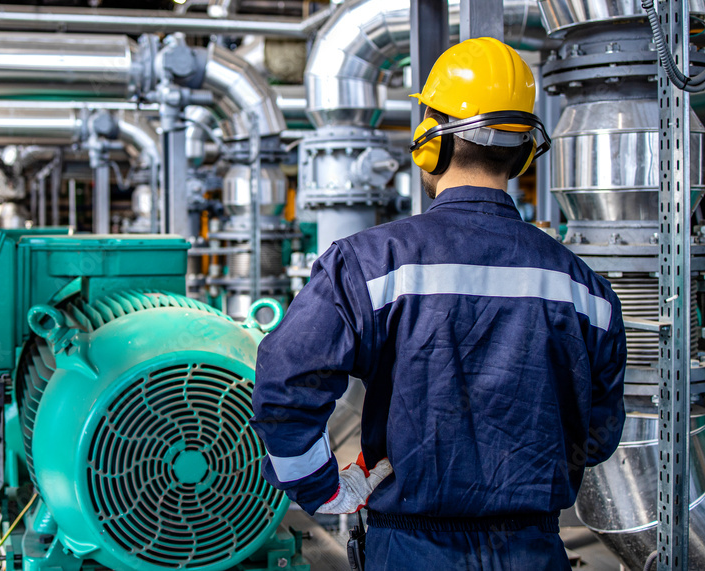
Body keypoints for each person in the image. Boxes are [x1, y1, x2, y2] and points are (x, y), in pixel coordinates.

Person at [250, 37, 627, 570]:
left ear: (430, 141)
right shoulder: (585, 289)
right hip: (535, 549)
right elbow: (598, 435)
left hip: (411, 550)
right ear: (522, 151)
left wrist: (321, 488)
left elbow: (285, 384)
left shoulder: (368, 264)